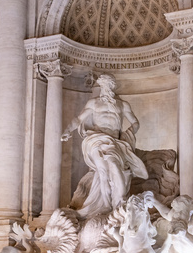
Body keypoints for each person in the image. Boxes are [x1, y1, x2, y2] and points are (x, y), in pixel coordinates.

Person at [62, 74, 148, 218]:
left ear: (113, 86)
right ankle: (107, 205)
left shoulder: (123, 105)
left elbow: (135, 123)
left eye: (109, 85)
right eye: (104, 85)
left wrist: (128, 134)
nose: (106, 88)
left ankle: (120, 202)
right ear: (101, 86)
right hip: (96, 140)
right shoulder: (93, 103)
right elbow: (78, 119)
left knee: (114, 165)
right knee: (102, 171)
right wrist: (67, 131)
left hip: (114, 142)